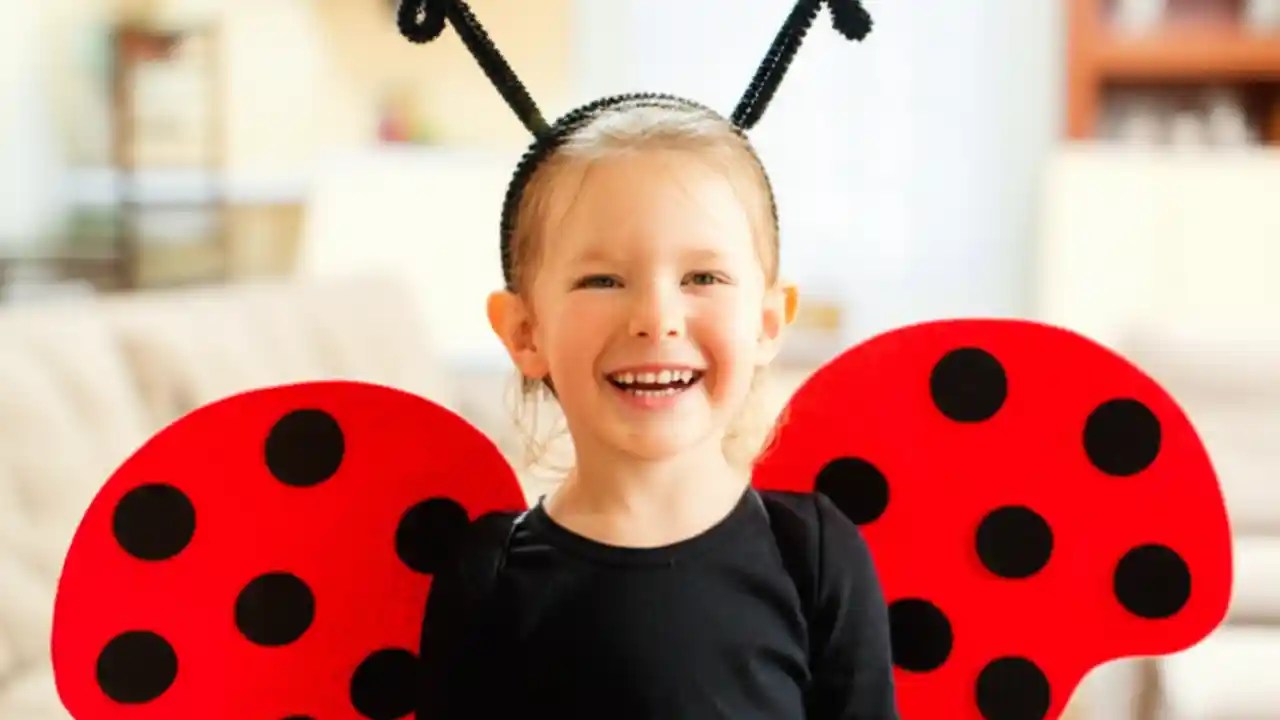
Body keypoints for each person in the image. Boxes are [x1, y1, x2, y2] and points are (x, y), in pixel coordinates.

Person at [414, 96, 897, 719]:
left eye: (703, 278)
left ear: (768, 322)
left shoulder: (816, 558)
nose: (657, 320)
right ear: (525, 333)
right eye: (604, 280)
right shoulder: (489, 577)